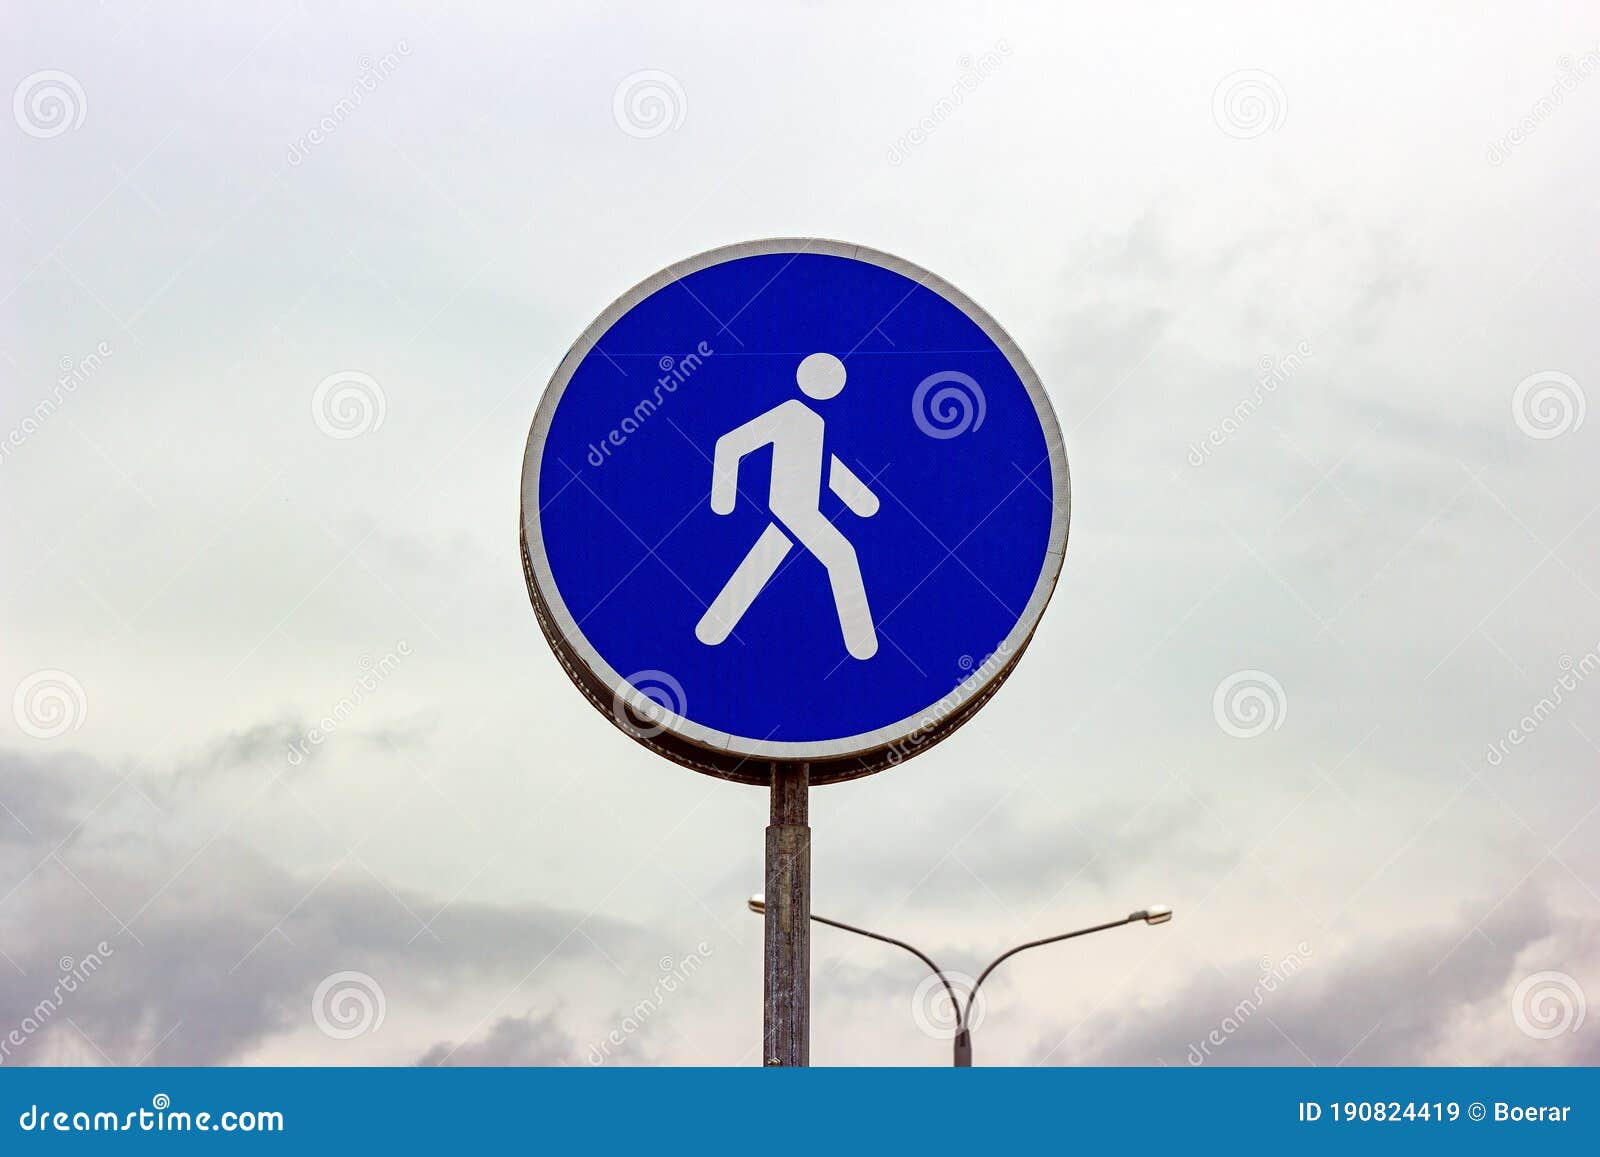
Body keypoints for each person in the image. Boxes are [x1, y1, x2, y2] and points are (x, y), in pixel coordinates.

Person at [694, 352, 879, 660]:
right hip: (790, 507)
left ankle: (712, 630)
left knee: (762, 561)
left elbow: (826, 466)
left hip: (801, 509)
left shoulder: (817, 422)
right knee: (842, 555)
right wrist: (723, 499)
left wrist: (860, 500)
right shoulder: (791, 413)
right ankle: (863, 646)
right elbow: (731, 445)